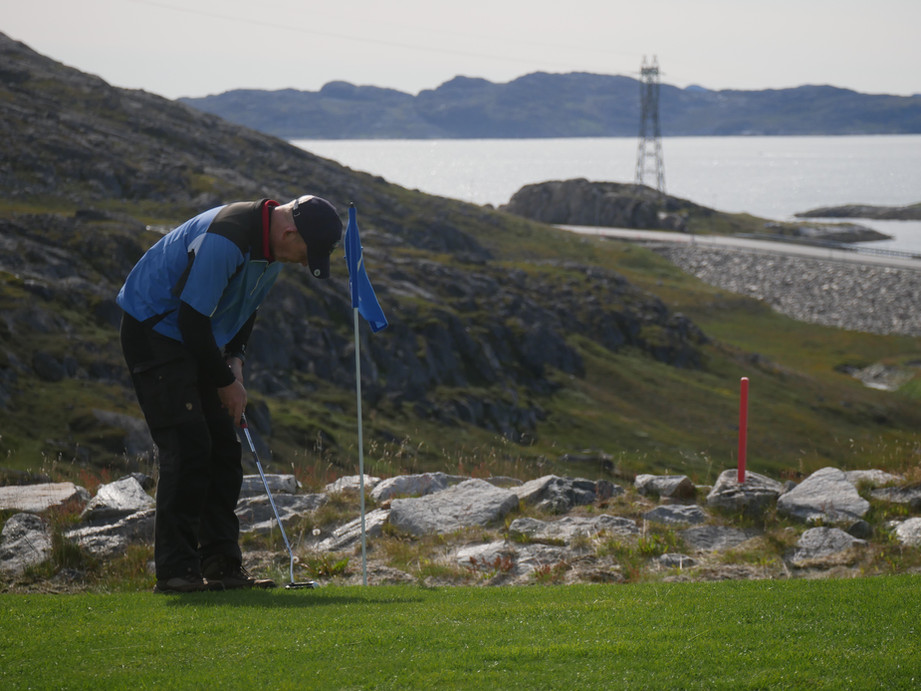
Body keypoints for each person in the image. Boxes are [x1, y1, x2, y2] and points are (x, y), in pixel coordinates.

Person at [117, 195, 342, 593]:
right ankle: (176, 572)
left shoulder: (273, 250)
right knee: (187, 447)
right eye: (308, 253)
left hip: (194, 336)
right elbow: (191, 318)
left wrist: (235, 360)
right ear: (290, 231)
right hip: (155, 330)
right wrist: (224, 382)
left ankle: (221, 565)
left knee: (222, 449)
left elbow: (245, 306)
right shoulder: (229, 237)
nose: (306, 263)